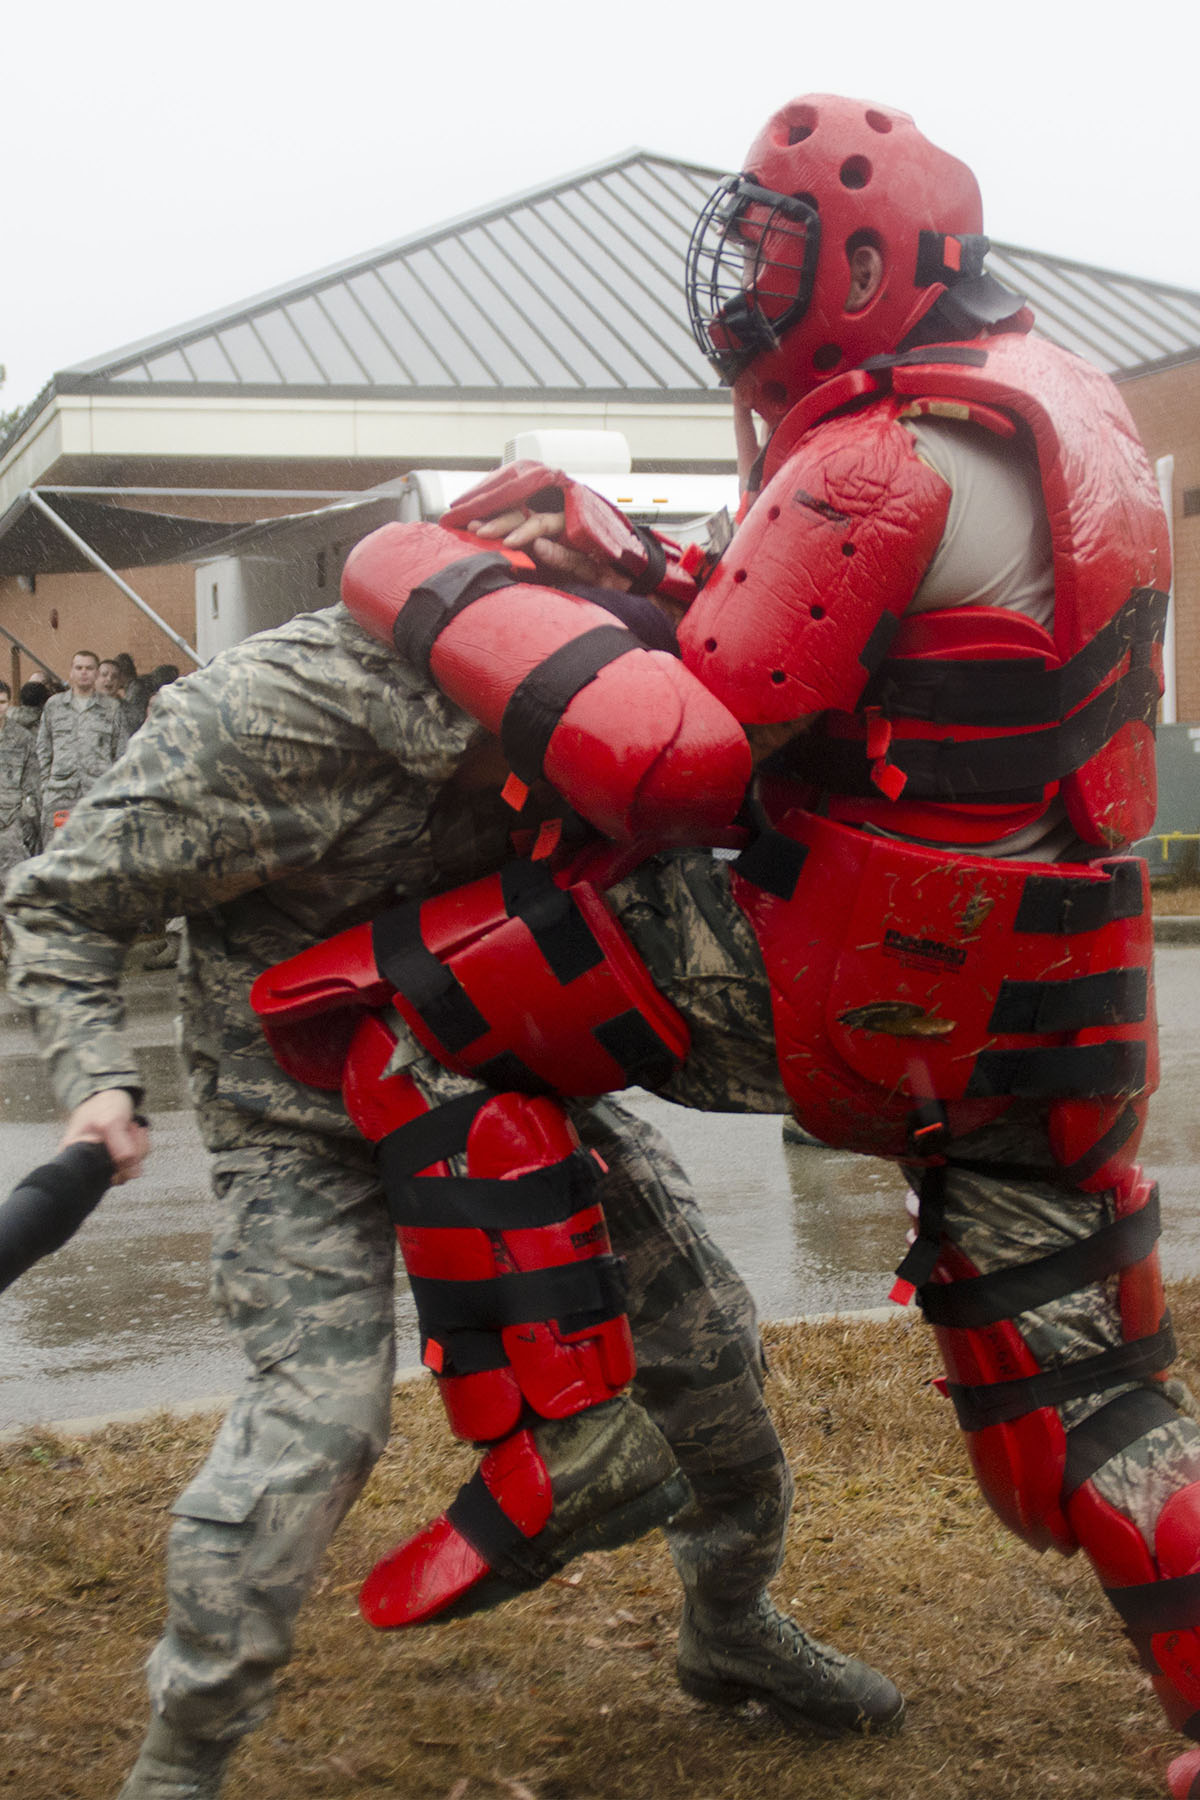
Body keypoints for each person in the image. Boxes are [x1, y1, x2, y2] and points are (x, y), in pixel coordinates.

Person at [271, 93, 1194, 1800]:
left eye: (776, 246)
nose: (748, 283)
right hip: (1058, 991)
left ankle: (570, 1434)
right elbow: (856, 651)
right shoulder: (1079, 418)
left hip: (856, 980)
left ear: (865, 253)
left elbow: (680, 753)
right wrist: (635, 553)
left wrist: (414, 572)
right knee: (1089, 1408)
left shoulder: (873, 454)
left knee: (365, 1007)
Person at [4, 578, 900, 1794]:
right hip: (296, 1117)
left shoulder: (598, 693)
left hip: (492, 1081)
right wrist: (99, 1083)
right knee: (314, 1431)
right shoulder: (251, 733)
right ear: (473, 718)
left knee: (712, 1356)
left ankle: (729, 1630)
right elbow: (59, 907)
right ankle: (181, 1763)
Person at [35, 648, 129, 840]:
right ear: (71, 672)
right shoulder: (54, 705)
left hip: (98, 794)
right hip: (60, 795)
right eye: (79, 668)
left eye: (89, 668)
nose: (84, 672)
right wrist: (47, 784)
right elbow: (43, 748)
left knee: (97, 855)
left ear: (96, 673)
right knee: (57, 856)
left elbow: (121, 753)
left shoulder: (111, 708)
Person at [0, 678, 40, 895]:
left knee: (14, 889)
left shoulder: (22, 738)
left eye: (2, 702)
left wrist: (27, 817)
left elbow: (31, 782)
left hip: (10, 824)